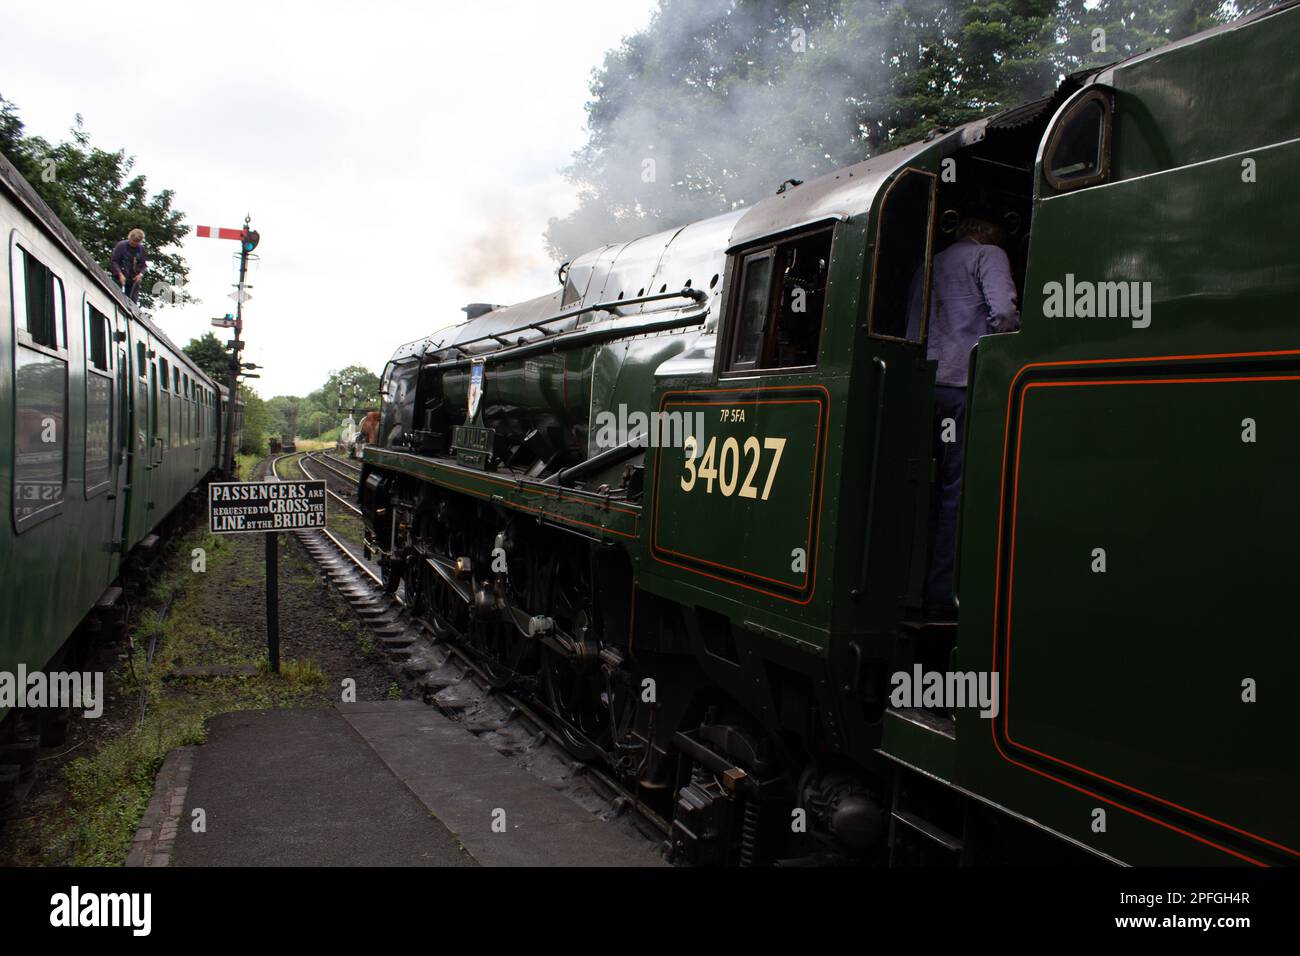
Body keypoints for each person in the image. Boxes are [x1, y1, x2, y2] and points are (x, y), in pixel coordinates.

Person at [912, 217, 1020, 617]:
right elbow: (1005, 315)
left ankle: (915, 584)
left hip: (926, 385)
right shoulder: (988, 256)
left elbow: (913, 327)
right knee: (958, 487)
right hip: (962, 385)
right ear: (990, 233)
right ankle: (944, 590)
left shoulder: (931, 264)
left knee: (926, 484)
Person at [111, 228, 147, 303]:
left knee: (132, 302)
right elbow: (114, 261)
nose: (134, 244)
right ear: (129, 237)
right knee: (115, 297)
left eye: (136, 242)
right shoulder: (121, 245)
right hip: (119, 276)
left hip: (133, 279)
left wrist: (140, 275)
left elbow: (144, 265)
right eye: (133, 241)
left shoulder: (141, 249)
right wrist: (120, 274)